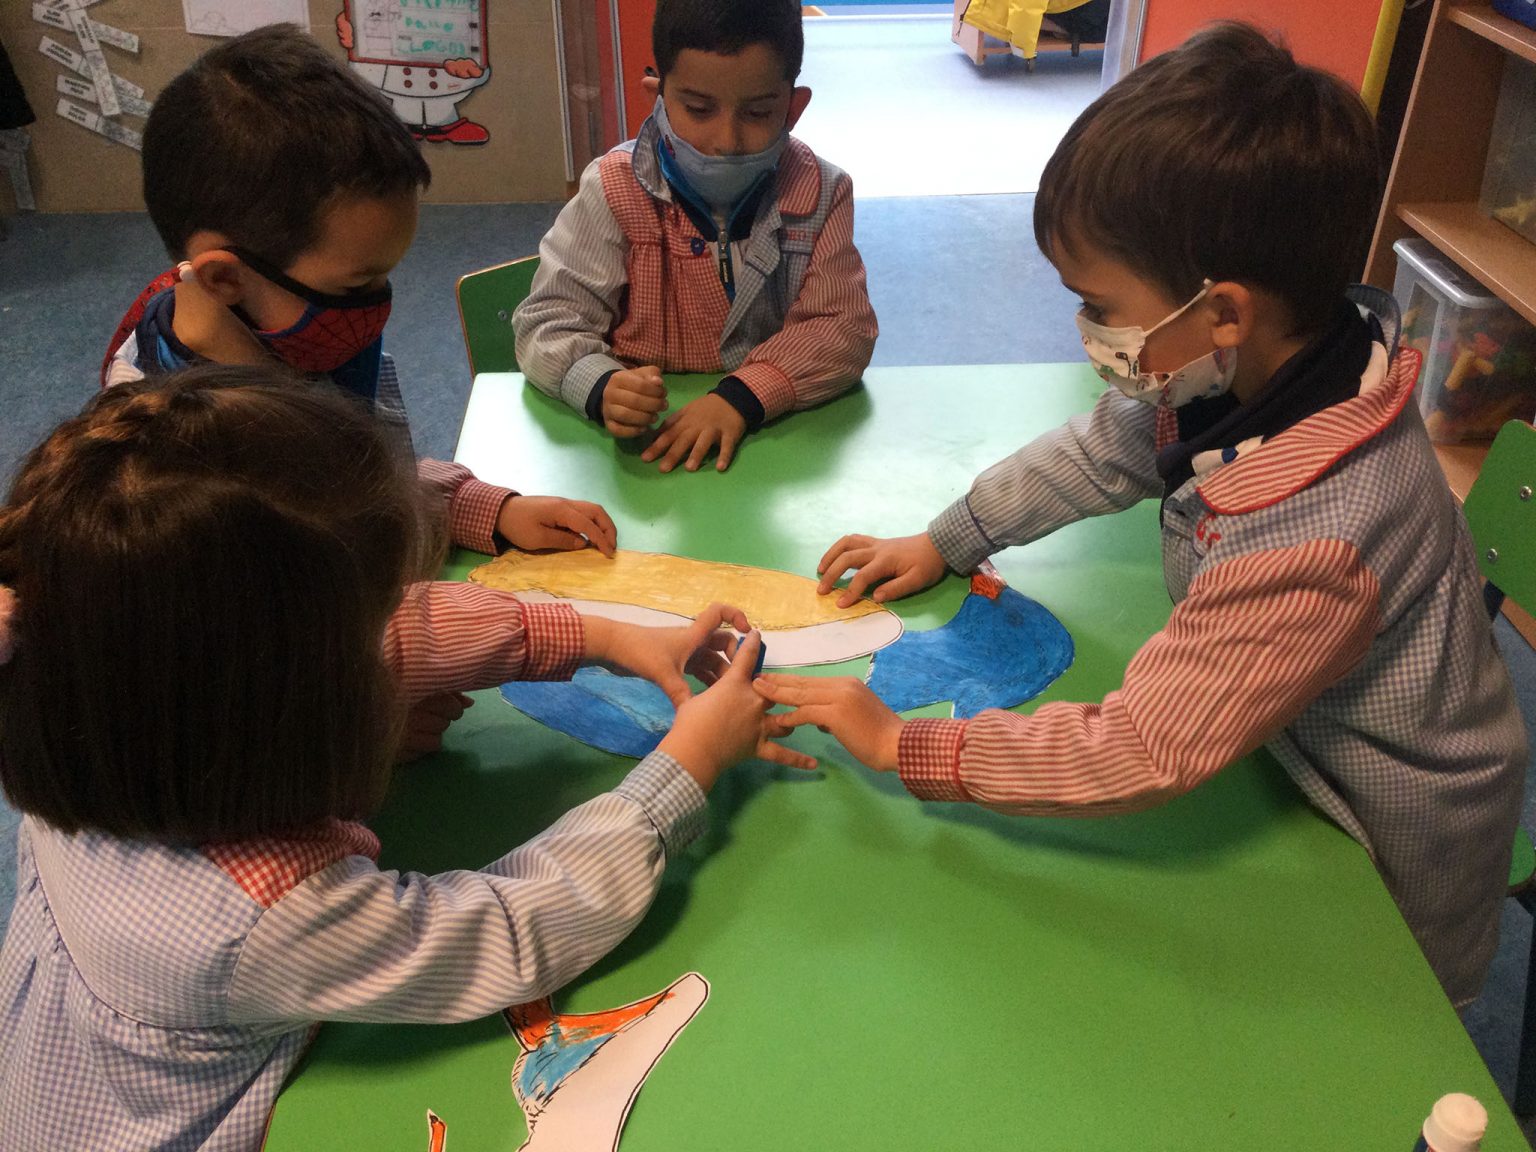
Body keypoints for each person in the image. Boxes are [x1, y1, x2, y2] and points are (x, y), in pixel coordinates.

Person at [756, 23, 1528, 1009]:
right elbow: (1106, 447)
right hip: (1289, 745)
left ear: (1225, 313)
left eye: (1099, 303)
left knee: (1343, 1049)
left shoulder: (1317, 542)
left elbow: (1146, 745)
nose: (1086, 331)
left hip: (1382, 834)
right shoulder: (1273, 364)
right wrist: (951, 536)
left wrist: (907, 745)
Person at [0, 366, 809, 1152]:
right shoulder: (262, 917)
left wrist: (605, 636)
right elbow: (507, 931)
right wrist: (684, 768)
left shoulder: (90, 700)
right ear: (286, 701)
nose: (396, 635)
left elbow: (404, 635)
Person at [104, 24, 617, 756]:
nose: (378, 305)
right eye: (358, 284)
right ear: (222, 277)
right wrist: (346, 728)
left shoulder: (297, 327)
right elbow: (196, 682)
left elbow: (367, 484)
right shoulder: (159, 466)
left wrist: (484, 509)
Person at [513, 0, 878, 474]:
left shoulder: (822, 192)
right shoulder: (613, 188)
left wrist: (745, 394)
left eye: (758, 112)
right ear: (658, 98)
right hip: (642, 453)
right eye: (699, 109)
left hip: (768, 447)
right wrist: (600, 384)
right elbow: (547, 322)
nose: (727, 140)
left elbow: (843, 328)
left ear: (793, 108)